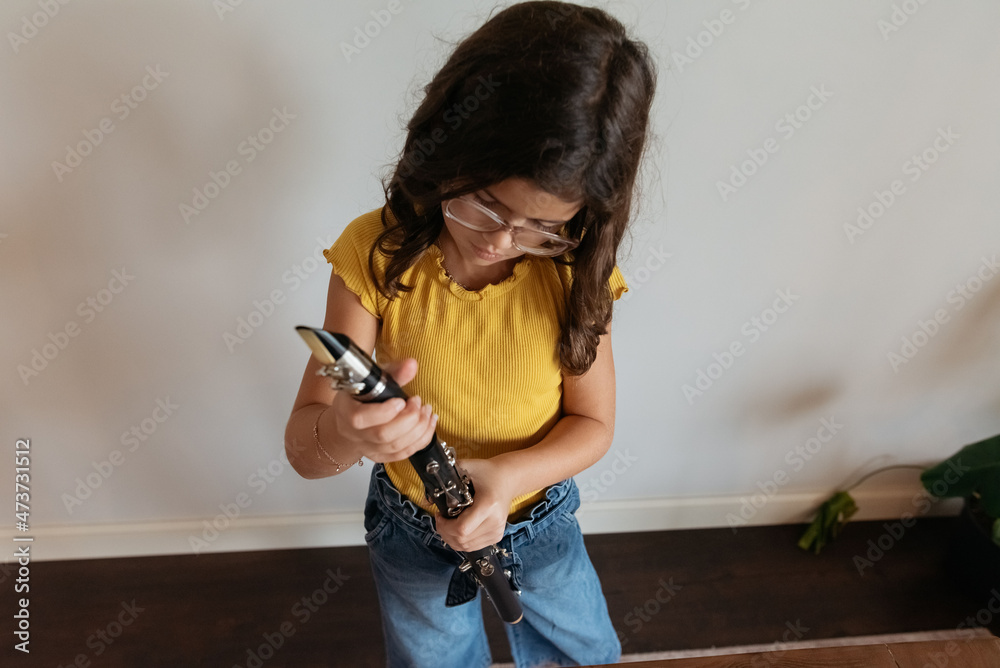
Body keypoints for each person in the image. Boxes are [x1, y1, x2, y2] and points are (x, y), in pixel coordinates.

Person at [285, 2, 656, 666]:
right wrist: (346, 431)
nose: (501, 243)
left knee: (583, 651)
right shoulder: (373, 254)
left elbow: (594, 425)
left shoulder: (573, 271)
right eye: (485, 204)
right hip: (412, 527)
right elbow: (305, 451)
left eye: (541, 228)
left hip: (538, 522)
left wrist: (509, 475)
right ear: (446, 144)